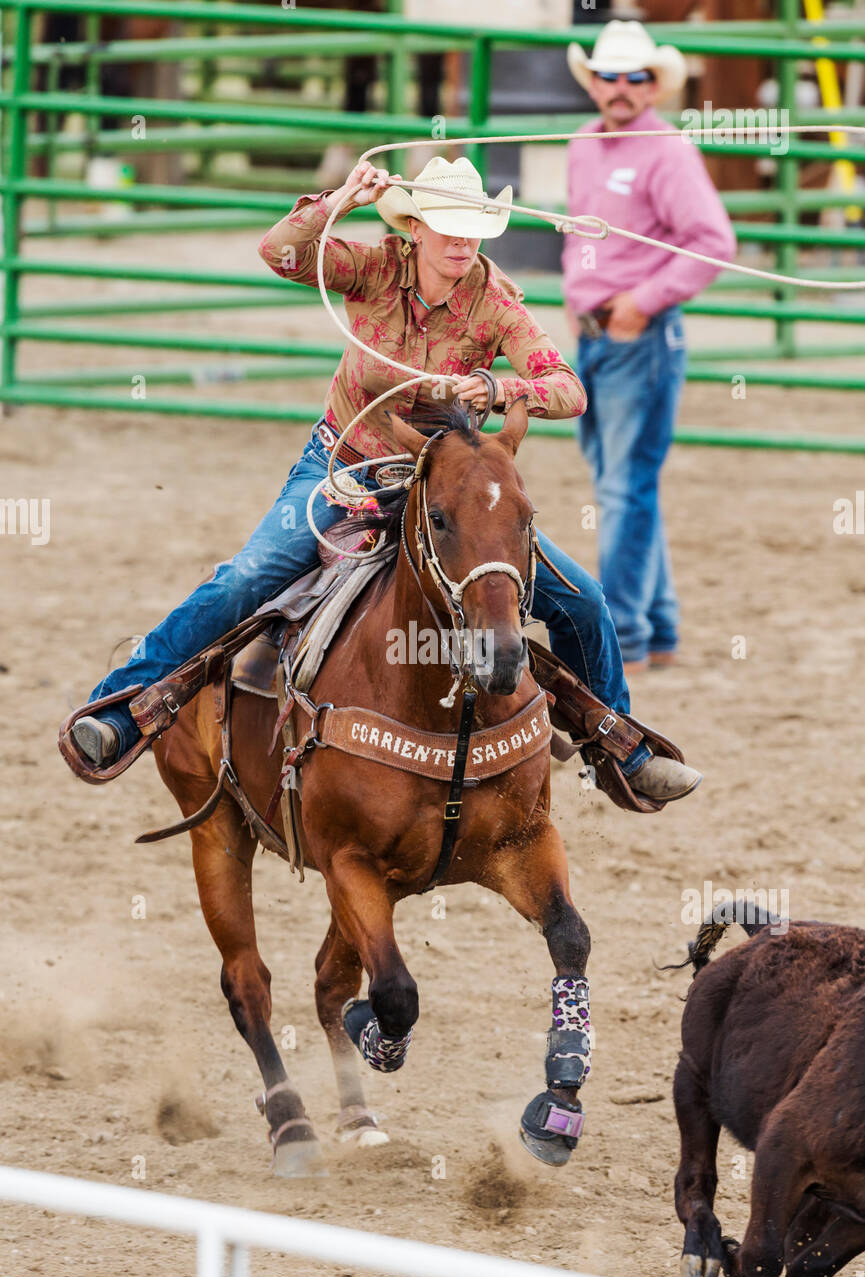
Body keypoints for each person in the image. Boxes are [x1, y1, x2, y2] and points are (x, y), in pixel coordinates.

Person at [70, 155, 700, 803]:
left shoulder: (495, 302)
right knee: (247, 579)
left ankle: (616, 745)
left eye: (472, 227)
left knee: (582, 602)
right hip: (344, 467)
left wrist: (496, 384)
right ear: (416, 228)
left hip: (442, 489)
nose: (461, 240)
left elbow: (568, 390)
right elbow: (280, 252)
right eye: (447, 226)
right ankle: (122, 707)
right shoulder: (371, 268)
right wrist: (341, 198)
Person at [564, 21, 736, 672]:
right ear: (595, 82)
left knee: (622, 486)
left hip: (639, 334)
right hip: (597, 333)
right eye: (610, 76)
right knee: (624, 484)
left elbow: (713, 241)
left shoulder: (667, 151)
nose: (621, 88)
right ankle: (655, 629)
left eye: (635, 77)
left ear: (652, 85)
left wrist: (642, 301)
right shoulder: (582, 146)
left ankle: (626, 638)